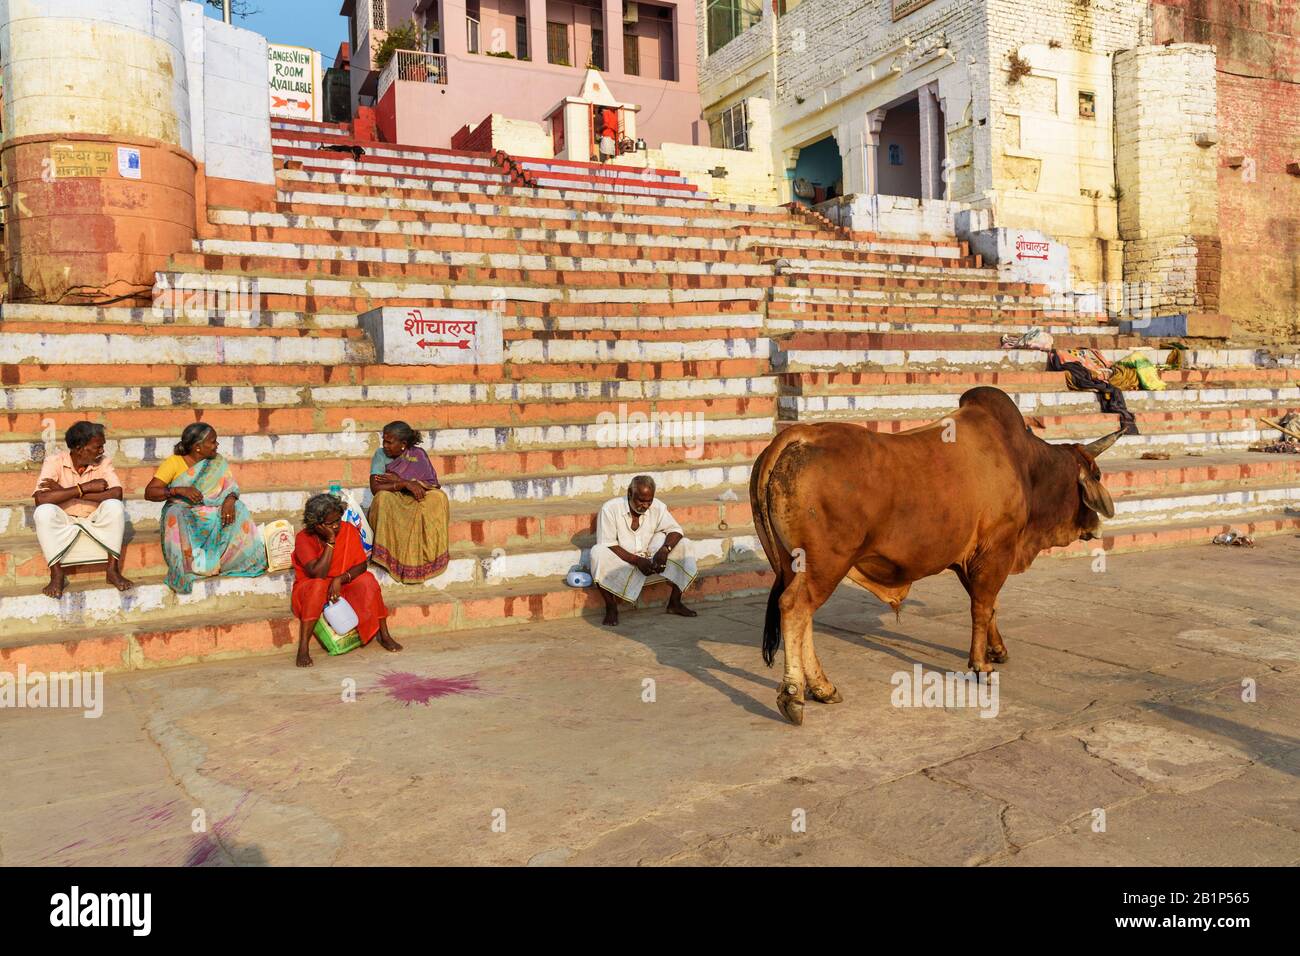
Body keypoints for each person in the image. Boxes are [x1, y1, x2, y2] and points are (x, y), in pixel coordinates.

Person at [144, 423, 267, 594]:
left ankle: (229, 561)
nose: (217, 445)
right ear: (198, 447)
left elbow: (230, 488)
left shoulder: (217, 462)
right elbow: (150, 492)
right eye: (213, 441)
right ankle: (187, 566)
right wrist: (178, 490)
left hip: (213, 510)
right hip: (186, 513)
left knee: (238, 507)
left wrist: (230, 501)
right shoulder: (174, 462)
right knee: (174, 512)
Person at [293, 493, 402, 667]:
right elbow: (317, 573)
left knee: (368, 581)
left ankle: (384, 634)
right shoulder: (303, 538)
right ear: (317, 524)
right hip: (313, 584)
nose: (336, 526)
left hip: (341, 582)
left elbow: (361, 565)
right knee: (318, 586)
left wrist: (340, 579)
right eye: (330, 523)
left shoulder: (348, 529)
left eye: (338, 519)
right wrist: (330, 541)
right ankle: (303, 648)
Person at [32, 421, 133, 598]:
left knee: (115, 507)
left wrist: (64, 492)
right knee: (43, 512)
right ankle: (56, 573)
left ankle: (112, 570)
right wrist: (85, 487)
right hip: (64, 519)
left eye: (102, 446)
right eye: (97, 447)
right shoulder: (54, 462)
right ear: (79, 449)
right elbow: (41, 499)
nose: (101, 451)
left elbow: (116, 493)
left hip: (95, 518)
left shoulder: (104, 463)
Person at [590, 475, 697, 626]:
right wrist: (636, 560)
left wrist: (664, 550)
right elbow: (609, 544)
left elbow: (675, 530)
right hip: (623, 559)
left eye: (649, 501)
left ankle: (675, 603)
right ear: (629, 493)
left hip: (651, 556)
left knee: (685, 544)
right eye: (641, 500)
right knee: (597, 552)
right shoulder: (610, 509)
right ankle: (611, 608)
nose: (646, 505)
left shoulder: (658, 506)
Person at [367, 421, 451, 584]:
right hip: (394, 498)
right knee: (382, 498)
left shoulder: (418, 454)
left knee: (439, 497)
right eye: (384, 441)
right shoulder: (380, 455)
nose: (385, 445)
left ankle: (430, 555)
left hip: (417, 497)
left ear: (403, 444)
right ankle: (387, 555)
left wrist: (405, 481)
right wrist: (403, 484)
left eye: (389, 442)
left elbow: (430, 483)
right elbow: (376, 487)